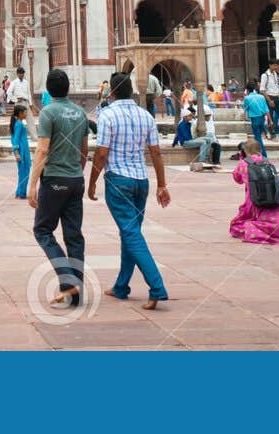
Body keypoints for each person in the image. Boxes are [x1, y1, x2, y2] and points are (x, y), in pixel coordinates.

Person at [87, 73, 169, 309]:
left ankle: (157, 286)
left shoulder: (107, 115)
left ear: (110, 92)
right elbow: (155, 154)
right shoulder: (146, 116)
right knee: (130, 232)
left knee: (131, 234)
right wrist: (162, 185)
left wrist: (92, 181)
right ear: (132, 90)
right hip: (141, 181)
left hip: (118, 180)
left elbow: (101, 153)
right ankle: (122, 285)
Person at [26, 68, 90, 308]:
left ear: (48, 90)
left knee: (42, 230)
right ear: (68, 88)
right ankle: (75, 292)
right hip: (75, 179)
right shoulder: (80, 112)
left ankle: (68, 281)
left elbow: (42, 149)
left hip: (54, 180)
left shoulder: (49, 112)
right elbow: (84, 150)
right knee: (74, 236)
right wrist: (78, 173)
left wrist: (31, 185)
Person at [258, 59, 279, 139]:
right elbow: (262, 90)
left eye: (276, 65)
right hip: (269, 97)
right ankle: (271, 134)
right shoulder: (265, 75)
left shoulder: (275, 74)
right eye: (274, 65)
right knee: (270, 118)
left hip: (276, 97)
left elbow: (276, 87)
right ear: (270, 65)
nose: (275, 67)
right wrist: (269, 100)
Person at [242, 82, 270, 156]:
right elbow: (266, 109)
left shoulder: (247, 98)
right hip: (262, 118)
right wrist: (270, 120)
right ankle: (256, 153)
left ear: (247, 90)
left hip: (254, 119)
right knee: (258, 137)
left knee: (258, 138)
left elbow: (244, 108)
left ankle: (263, 155)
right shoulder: (261, 97)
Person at [11, 104, 32, 198]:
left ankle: (19, 192)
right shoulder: (19, 124)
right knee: (24, 172)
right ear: (20, 113)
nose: (26, 113)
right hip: (22, 151)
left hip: (23, 150)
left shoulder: (18, 123)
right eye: (25, 112)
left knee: (22, 172)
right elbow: (15, 139)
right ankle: (21, 193)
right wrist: (17, 153)